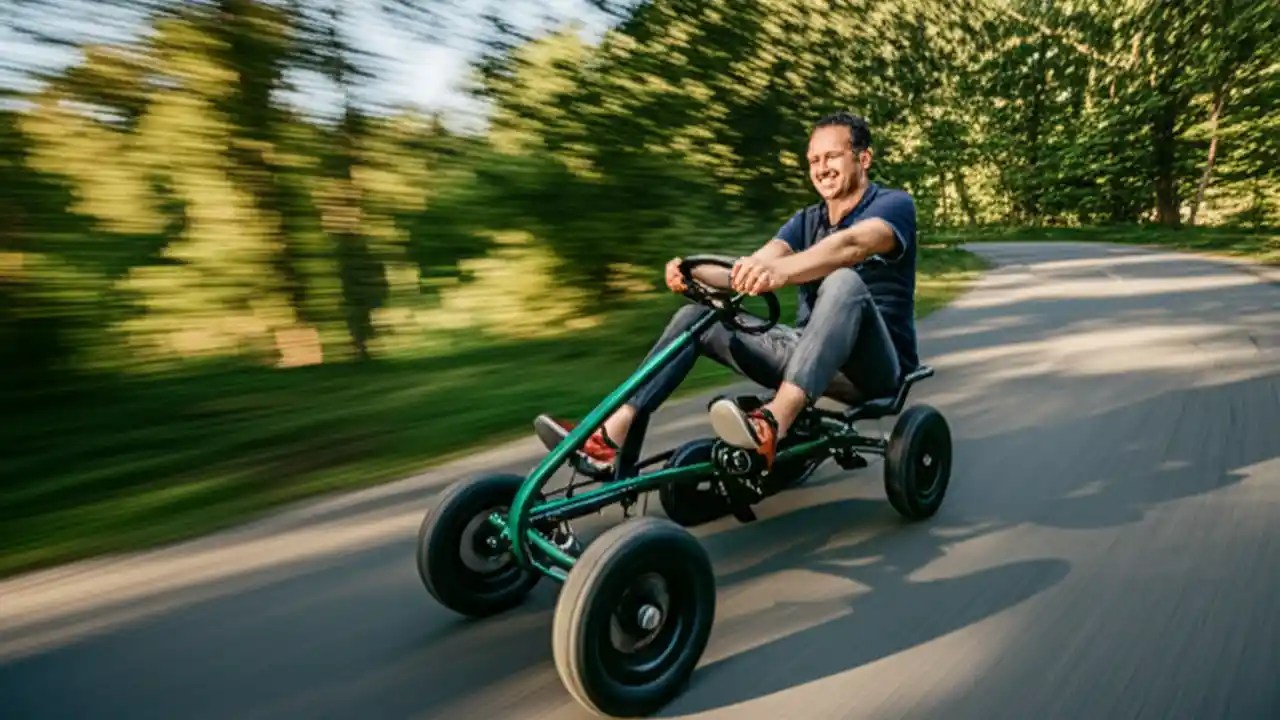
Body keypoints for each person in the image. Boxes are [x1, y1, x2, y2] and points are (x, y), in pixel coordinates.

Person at [535, 110, 919, 471]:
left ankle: (774, 422)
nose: (821, 168)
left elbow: (851, 246)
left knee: (843, 280)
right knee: (696, 317)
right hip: (808, 354)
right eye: (813, 160)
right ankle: (609, 437)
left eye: (832, 156)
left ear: (863, 158)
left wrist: (781, 272)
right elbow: (749, 267)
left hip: (874, 367)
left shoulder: (893, 205)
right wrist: (691, 270)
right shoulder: (806, 220)